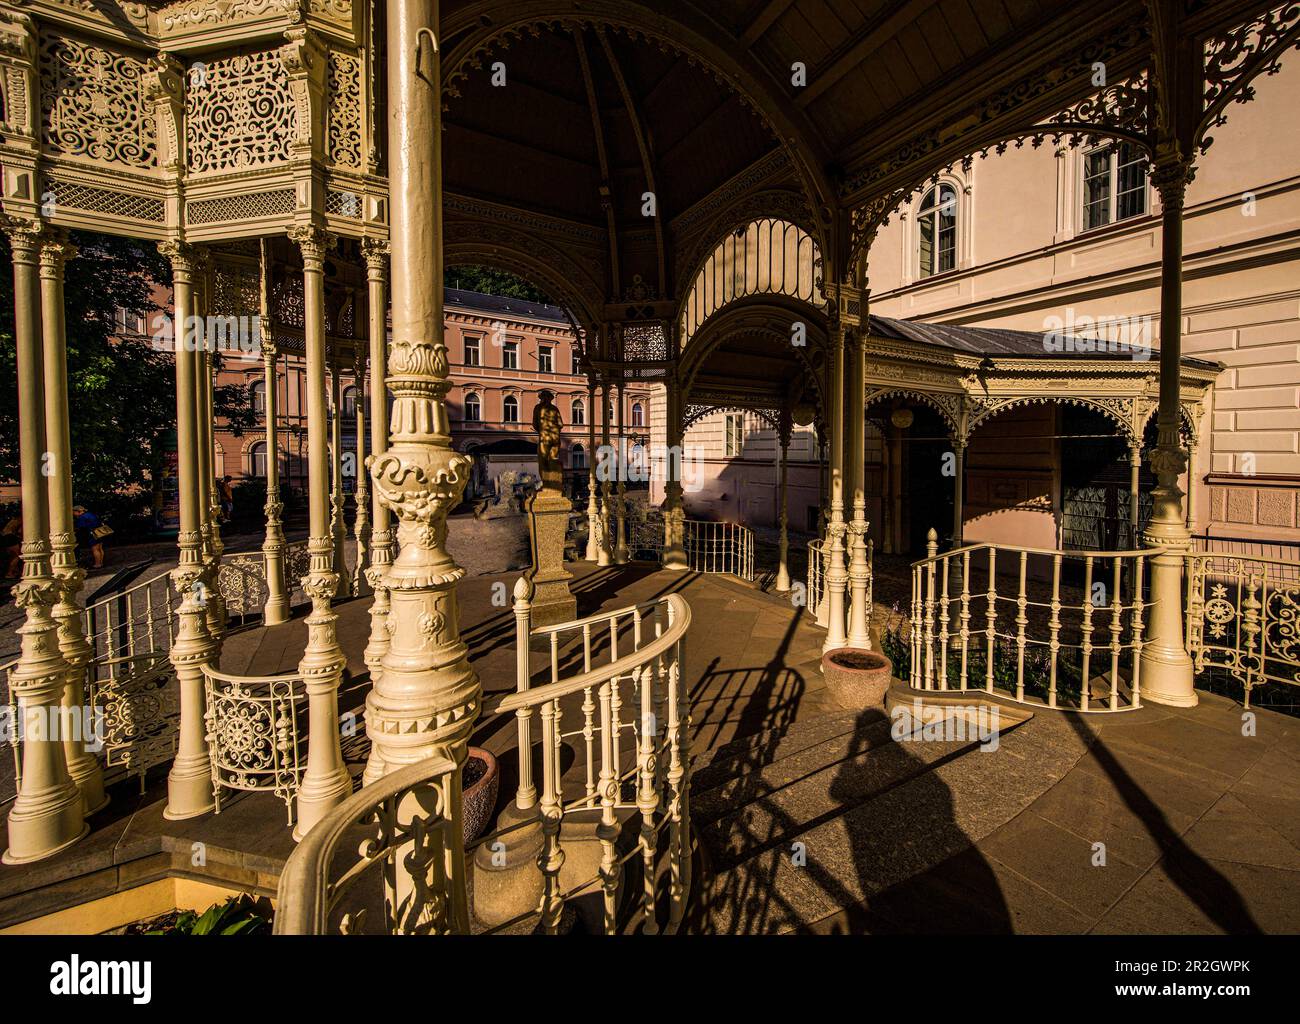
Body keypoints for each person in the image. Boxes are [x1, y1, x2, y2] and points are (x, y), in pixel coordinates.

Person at [73, 505, 110, 569]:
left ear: (78, 511)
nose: (73, 514)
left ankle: (97, 564)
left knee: (95, 549)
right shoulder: (90, 514)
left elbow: (81, 527)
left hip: (93, 533)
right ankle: (101, 563)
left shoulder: (82, 517)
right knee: (100, 548)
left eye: (73, 512)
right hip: (100, 532)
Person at [2, 514, 21, 578]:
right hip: (11, 538)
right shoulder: (19, 520)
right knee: (16, 556)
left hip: (6, 537)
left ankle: (13, 571)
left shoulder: (12, 521)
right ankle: (10, 572)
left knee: (12, 556)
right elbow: (19, 531)